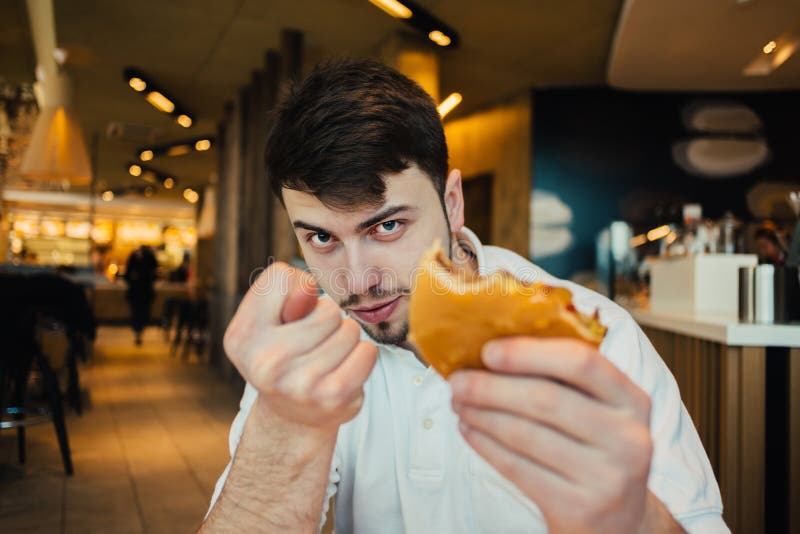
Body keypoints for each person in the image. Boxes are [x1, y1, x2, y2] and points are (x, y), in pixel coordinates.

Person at [201, 59, 728, 533]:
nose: (357, 281)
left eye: (386, 227)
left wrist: (633, 520)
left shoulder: (596, 333)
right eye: (321, 238)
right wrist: (286, 422)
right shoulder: (308, 357)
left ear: (452, 204)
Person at [124, 245, 158, 345]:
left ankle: (138, 332)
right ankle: (138, 332)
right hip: (142, 293)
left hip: (139, 293)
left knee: (138, 313)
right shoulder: (148, 258)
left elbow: (127, 276)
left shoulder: (137, 258)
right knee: (140, 314)